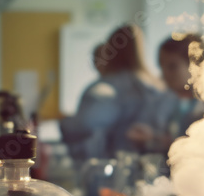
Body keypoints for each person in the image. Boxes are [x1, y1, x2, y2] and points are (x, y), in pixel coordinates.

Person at [60, 25, 162, 160]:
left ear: (110, 50)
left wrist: (65, 122)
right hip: (148, 166)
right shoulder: (155, 86)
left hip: (110, 166)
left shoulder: (104, 88)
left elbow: (84, 124)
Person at [127, 34, 204, 154]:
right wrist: (149, 137)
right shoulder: (164, 101)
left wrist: (157, 140)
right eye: (161, 66)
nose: (164, 74)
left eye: (172, 66)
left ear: (195, 65)